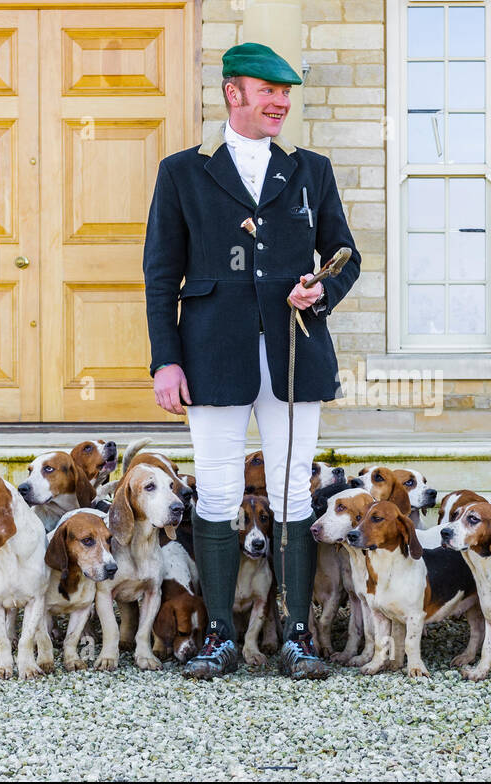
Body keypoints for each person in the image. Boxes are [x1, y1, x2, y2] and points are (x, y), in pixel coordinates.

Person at [143, 42, 360, 679]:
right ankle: (218, 634)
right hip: (211, 352)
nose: (281, 103)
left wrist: (319, 291)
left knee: (295, 488)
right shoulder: (182, 171)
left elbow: (343, 254)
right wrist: (166, 360)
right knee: (216, 489)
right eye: (269, 92)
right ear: (234, 94)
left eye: (287, 93)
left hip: (296, 352)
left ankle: (295, 634)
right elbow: (161, 274)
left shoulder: (311, 170)